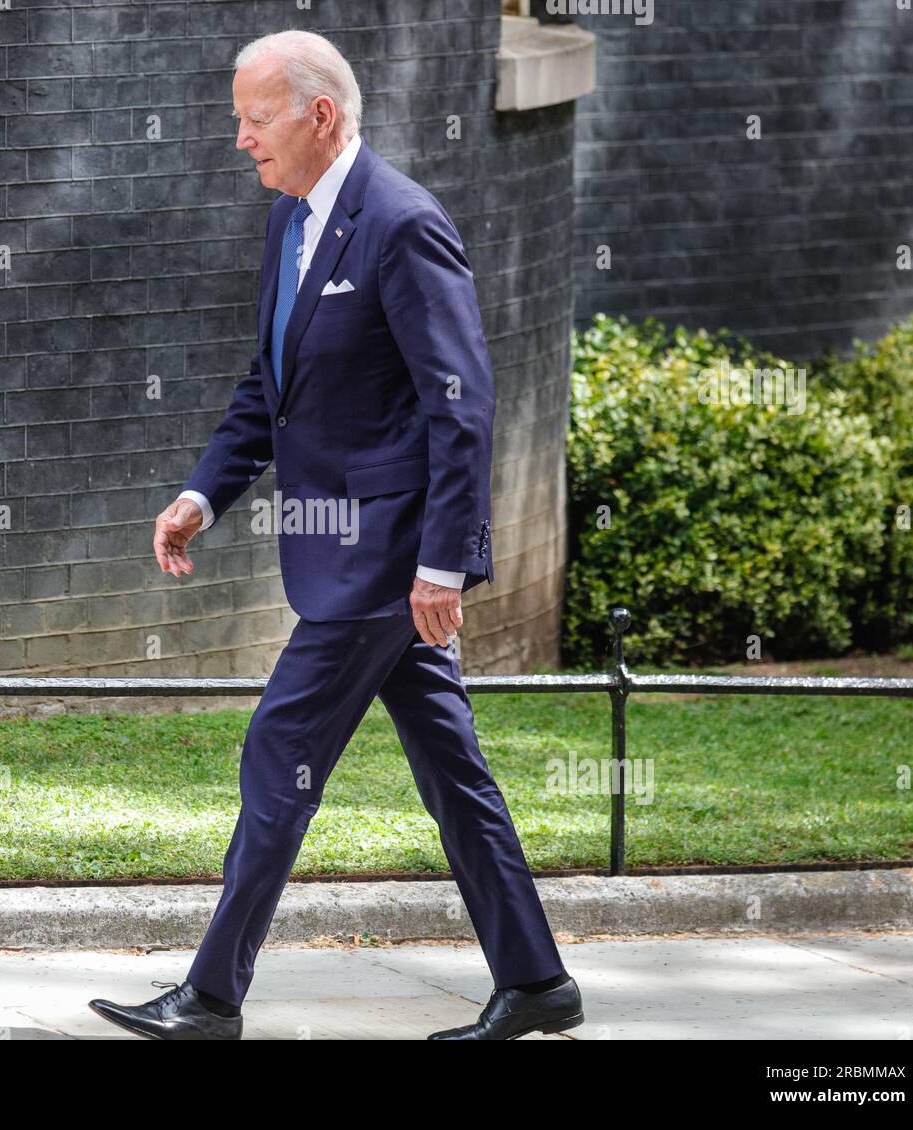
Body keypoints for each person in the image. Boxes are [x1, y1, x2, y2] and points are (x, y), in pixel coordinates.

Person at [89, 29, 581, 1041]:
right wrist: (203, 495)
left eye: (254, 118)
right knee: (452, 768)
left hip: (386, 561)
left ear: (319, 115)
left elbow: (462, 403)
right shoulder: (290, 224)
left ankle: (213, 994)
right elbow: (268, 390)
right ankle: (536, 980)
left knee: (282, 744)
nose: (239, 140)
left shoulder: (402, 223)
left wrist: (443, 561)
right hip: (356, 561)